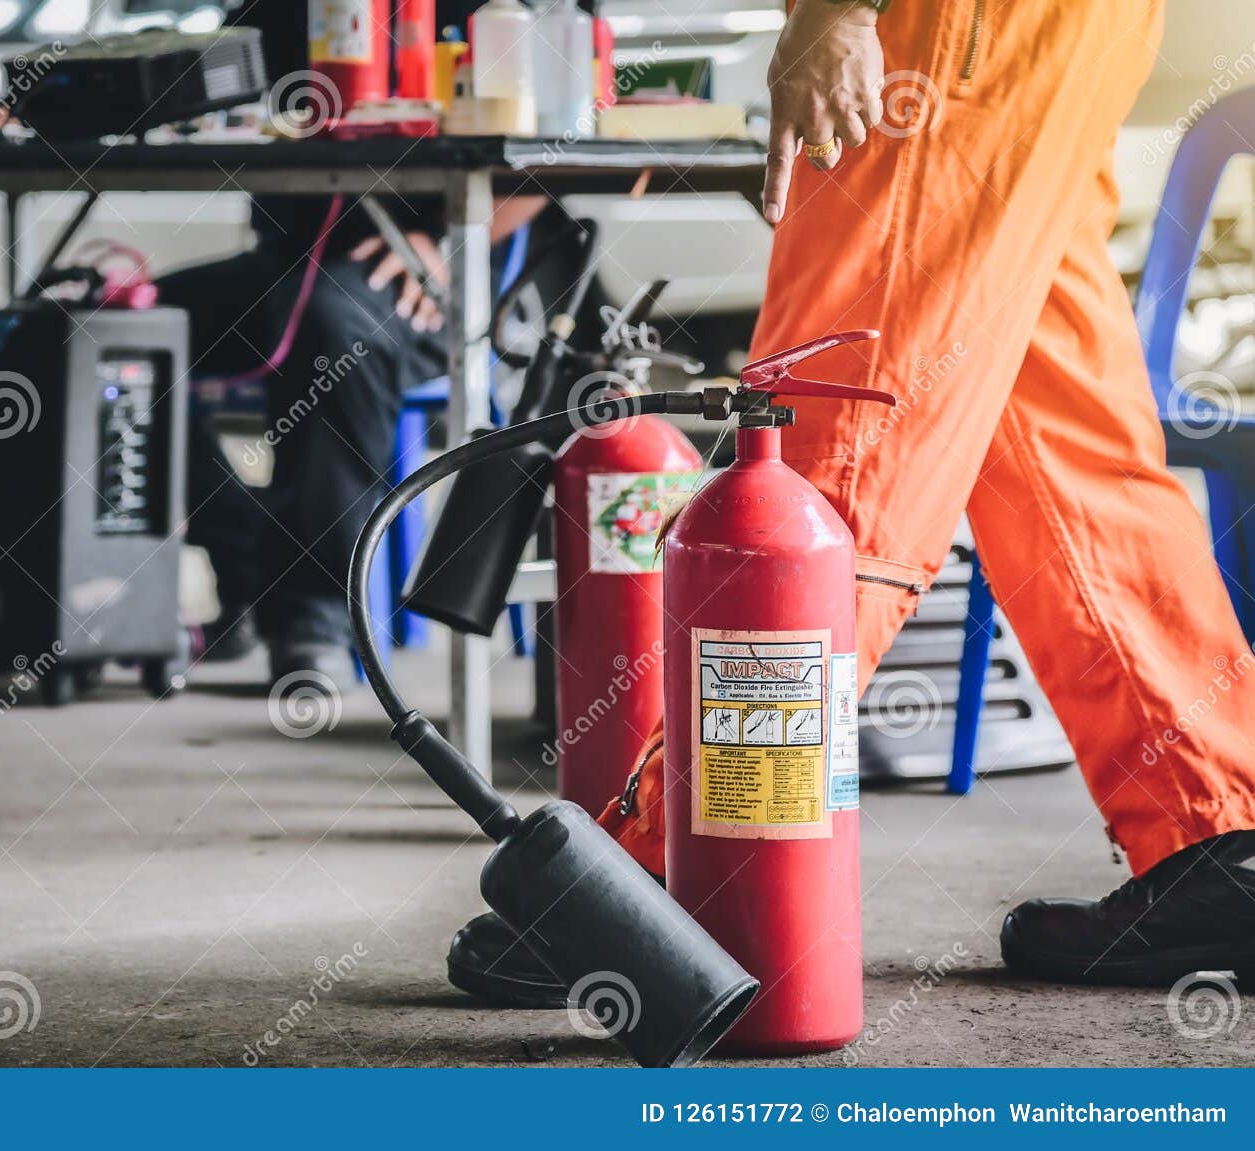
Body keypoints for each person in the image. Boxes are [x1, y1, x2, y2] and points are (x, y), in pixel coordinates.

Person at [448, 0, 1255, 1004]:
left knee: (833, 447)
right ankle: (1217, 833)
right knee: (1058, 435)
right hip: (1056, 32)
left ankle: (674, 874)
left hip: (950, 28)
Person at [159, 0, 540, 688]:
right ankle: (247, 561)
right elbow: (223, 86)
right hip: (292, 256)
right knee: (117, 325)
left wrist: (457, 238)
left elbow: (562, 133)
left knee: (335, 333)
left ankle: (313, 615)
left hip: (429, 263)